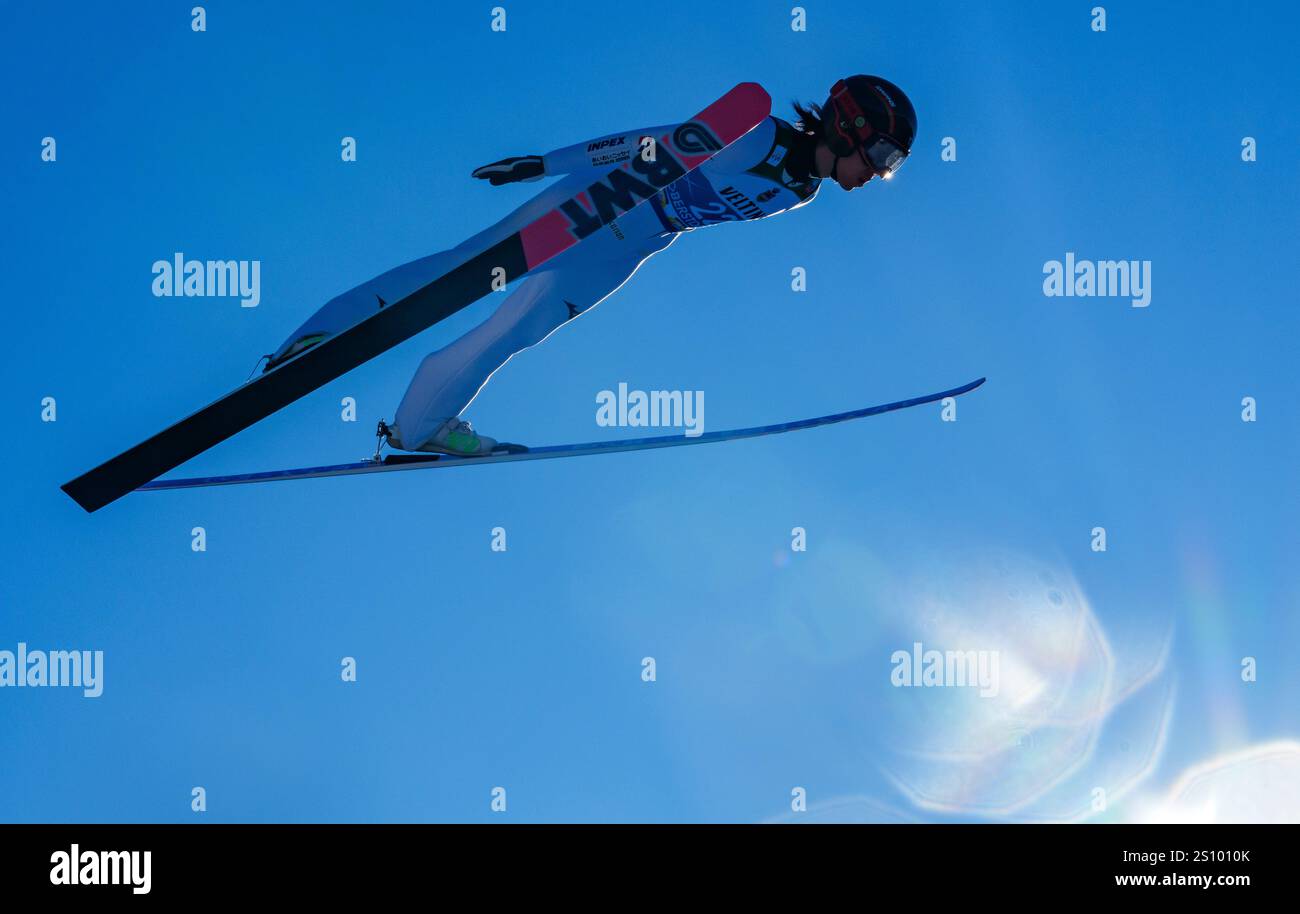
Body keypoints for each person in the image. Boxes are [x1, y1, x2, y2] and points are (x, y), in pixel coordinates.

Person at [264, 75, 917, 456]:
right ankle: (318, 340)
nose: (876, 175)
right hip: (596, 204)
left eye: (889, 167)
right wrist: (546, 164)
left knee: (517, 331)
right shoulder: (758, 133)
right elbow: (646, 143)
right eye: (881, 154)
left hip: (634, 244)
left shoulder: (799, 193)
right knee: (461, 270)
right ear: (850, 123)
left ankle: (420, 426)